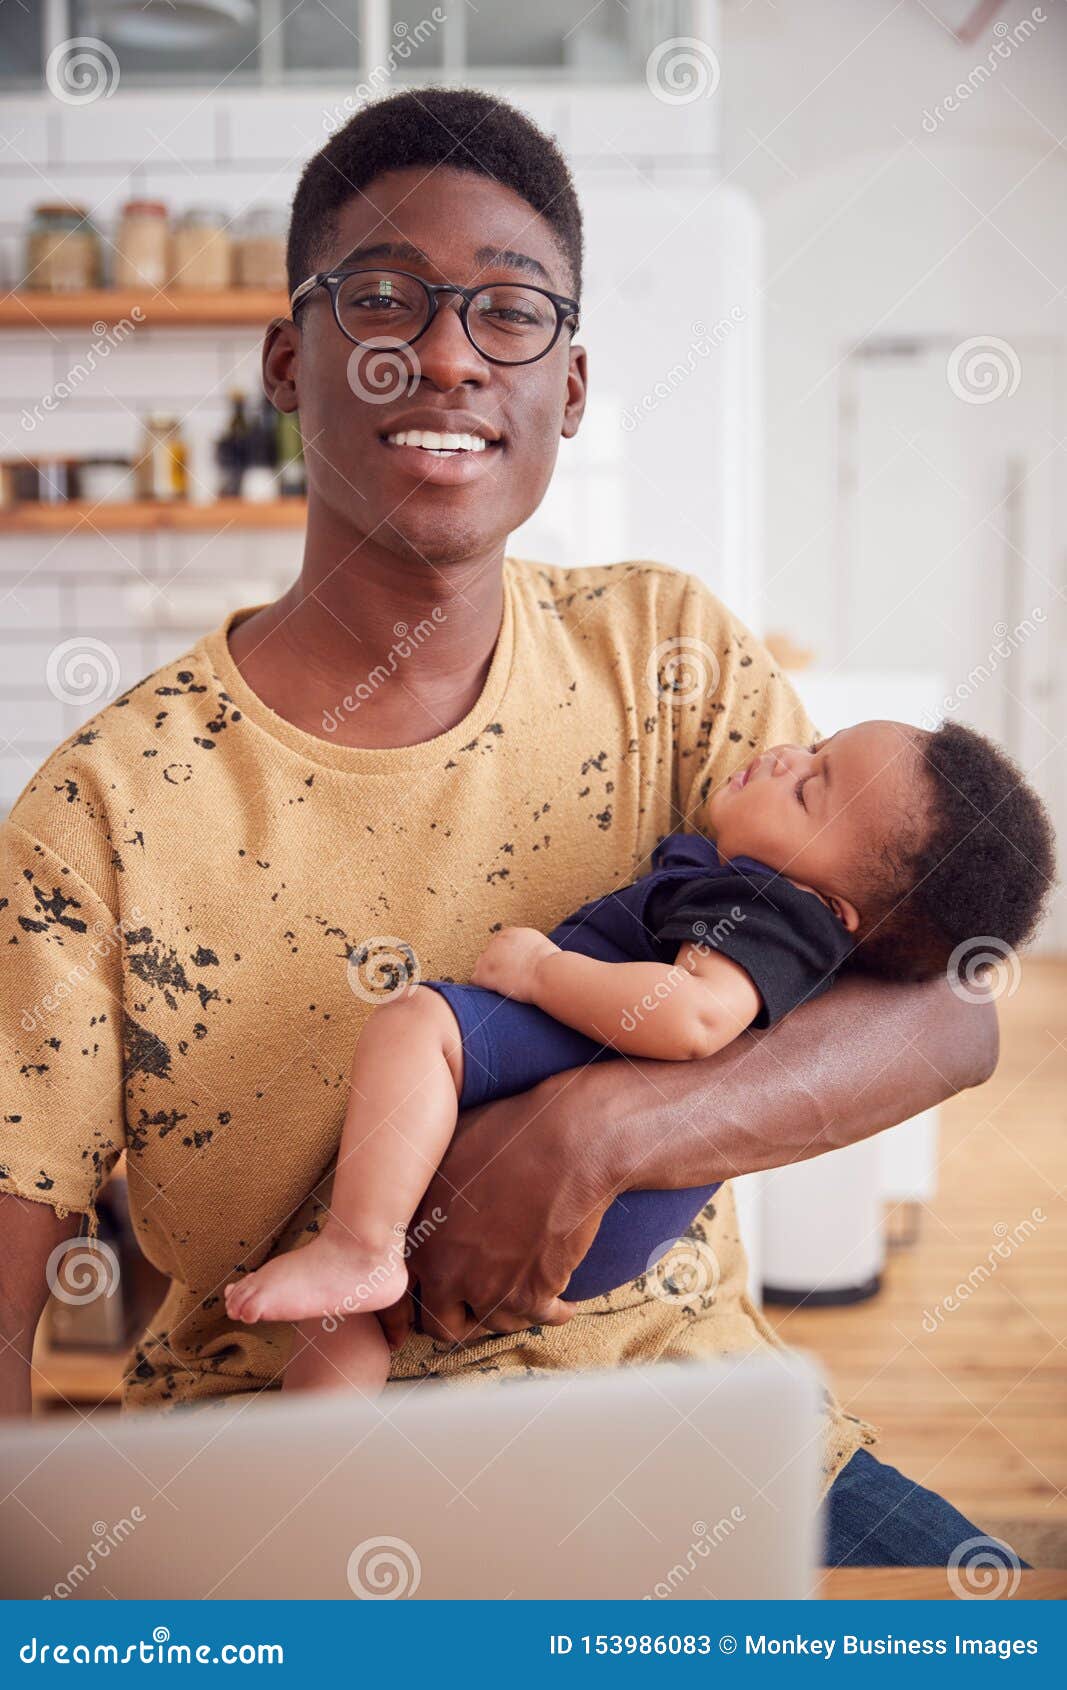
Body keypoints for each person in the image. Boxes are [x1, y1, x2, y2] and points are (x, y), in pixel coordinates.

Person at [0, 88, 1005, 1567]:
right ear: (291, 359)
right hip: (281, 1452)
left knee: (970, 1626)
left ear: (572, 387)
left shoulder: (669, 658)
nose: (452, 352)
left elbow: (947, 1014)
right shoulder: (103, 804)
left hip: (680, 1422)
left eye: (510, 312)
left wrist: (604, 1129)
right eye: (387, 298)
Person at [224, 718, 1052, 1389]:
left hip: (586, 1091)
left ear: (831, 905)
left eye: (807, 789)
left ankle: (357, 1248)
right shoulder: (766, 886)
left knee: (416, 1023)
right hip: (596, 1202)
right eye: (814, 747)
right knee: (348, 1313)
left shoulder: (769, 906)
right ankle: (331, 1451)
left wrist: (546, 973)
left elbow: (692, 1019)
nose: (781, 755)